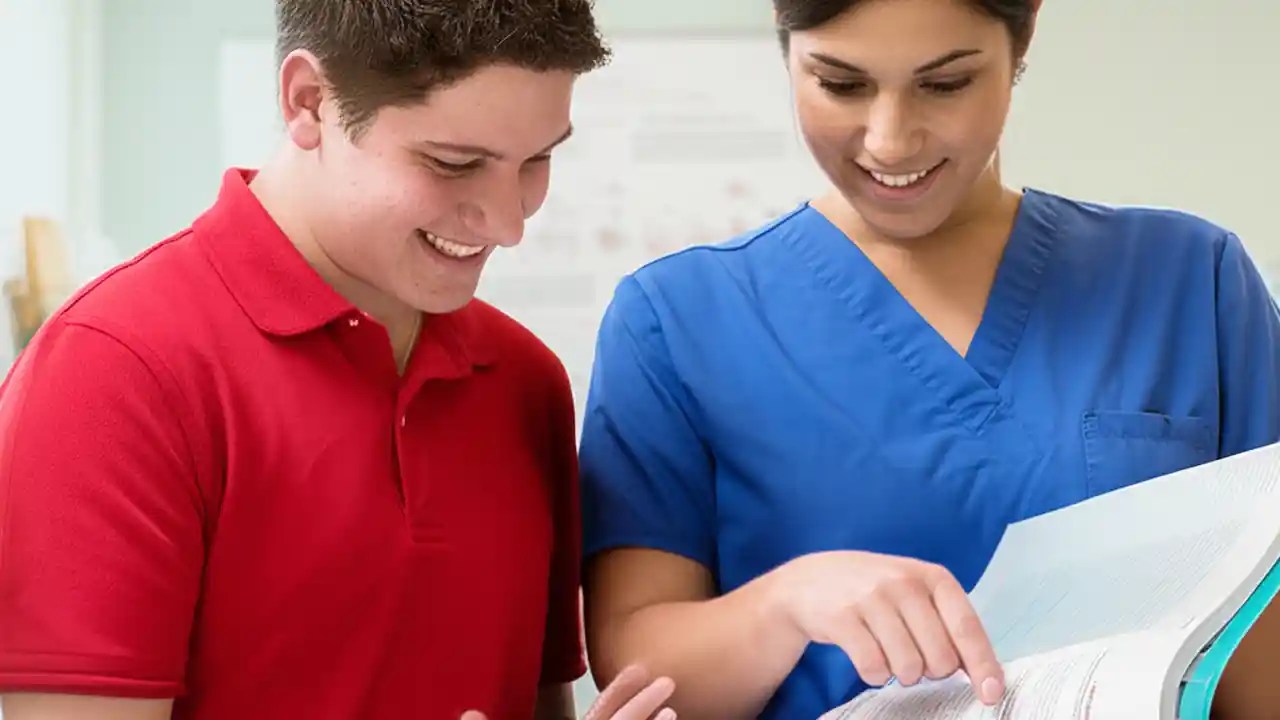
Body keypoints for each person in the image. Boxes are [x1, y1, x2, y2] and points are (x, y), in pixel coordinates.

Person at [576, 0, 1280, 718]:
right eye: (841, 85)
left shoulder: (1189, 283)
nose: (891, 141)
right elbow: (635, 672)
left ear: (1023, 36)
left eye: (945, 85)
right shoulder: (677, 320)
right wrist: (784, 605)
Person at [0, 1, 678, 719]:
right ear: (309, 102)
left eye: (538, 159)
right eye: (454, 163)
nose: (509, 224)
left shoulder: (525, 382)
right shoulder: (113, 373)